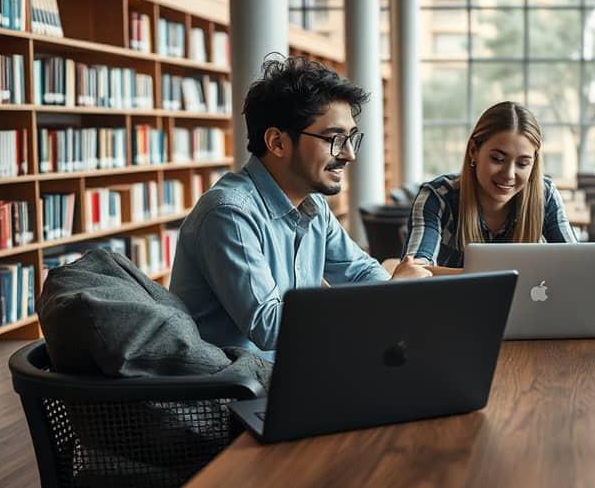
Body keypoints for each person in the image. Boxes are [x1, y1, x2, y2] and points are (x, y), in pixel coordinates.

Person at [170, 56, 430, 359]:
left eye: (351, 139)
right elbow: (269, 326)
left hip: (293, 371)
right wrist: (390, 296)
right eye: (334, 139)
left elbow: (359, 272)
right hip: (234, 391)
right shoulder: (229, 213)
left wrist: (392, 292)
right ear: (277, 143)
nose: (349, 155)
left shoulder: (313, 205)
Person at [404, 101, 577, 273]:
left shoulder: (544, 195)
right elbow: (414, 272)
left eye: (523, 163)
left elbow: (577, 263)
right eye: (498, 159)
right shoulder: (437, 197)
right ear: (474, 151)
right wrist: (513, 277)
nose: (509, 174)